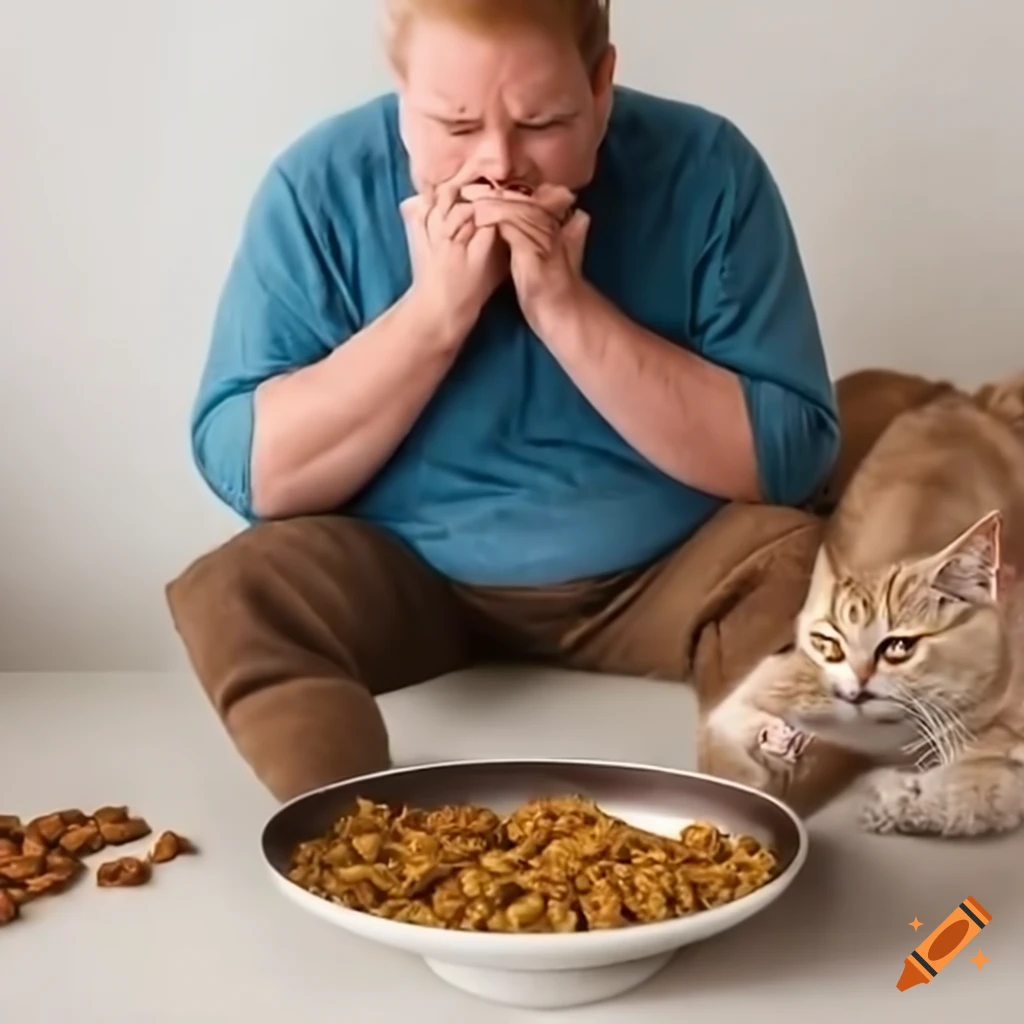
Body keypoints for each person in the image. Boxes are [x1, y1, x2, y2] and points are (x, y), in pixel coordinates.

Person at [167, 0, 867, 807]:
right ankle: (350, 835)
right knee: (238, 590)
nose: (499, 166)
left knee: (809, 573)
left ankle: (742, 821)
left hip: (667, 568)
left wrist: (568, 312)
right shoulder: (319, 182)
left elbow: (788, 457)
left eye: (544, 123)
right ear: (402, 92)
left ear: (602, 86)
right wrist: (433, 317)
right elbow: (250, 470)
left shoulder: (709, 167)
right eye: (454, 126)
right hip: (402, 572)